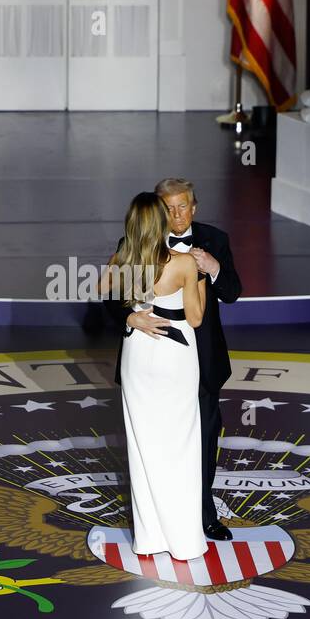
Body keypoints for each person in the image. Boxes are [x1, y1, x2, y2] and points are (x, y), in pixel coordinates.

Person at [102, 177, 242, 543]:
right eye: (169, 207)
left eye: (184, 206)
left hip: (201, 360)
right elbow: (106, 297)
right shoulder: (132, 244)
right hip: (152, 355)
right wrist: (129, 317)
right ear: (158, 210)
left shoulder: (215, 240)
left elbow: (232, 293)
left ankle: (203, 515)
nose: (177, 214)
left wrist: (212, 269)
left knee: (202, 438)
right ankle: (161, 525)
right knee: (153, 438)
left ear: (194, 207)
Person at [100, 192, 207, 560]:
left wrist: (132, 315)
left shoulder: (122, 259)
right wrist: (203, 278)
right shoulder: (183, 264)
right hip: (175, 356)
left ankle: (150, 540)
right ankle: (184, 542)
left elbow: (100, 296)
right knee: (181, 444)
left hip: (138, 353)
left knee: (142, 443)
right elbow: (195, 318)